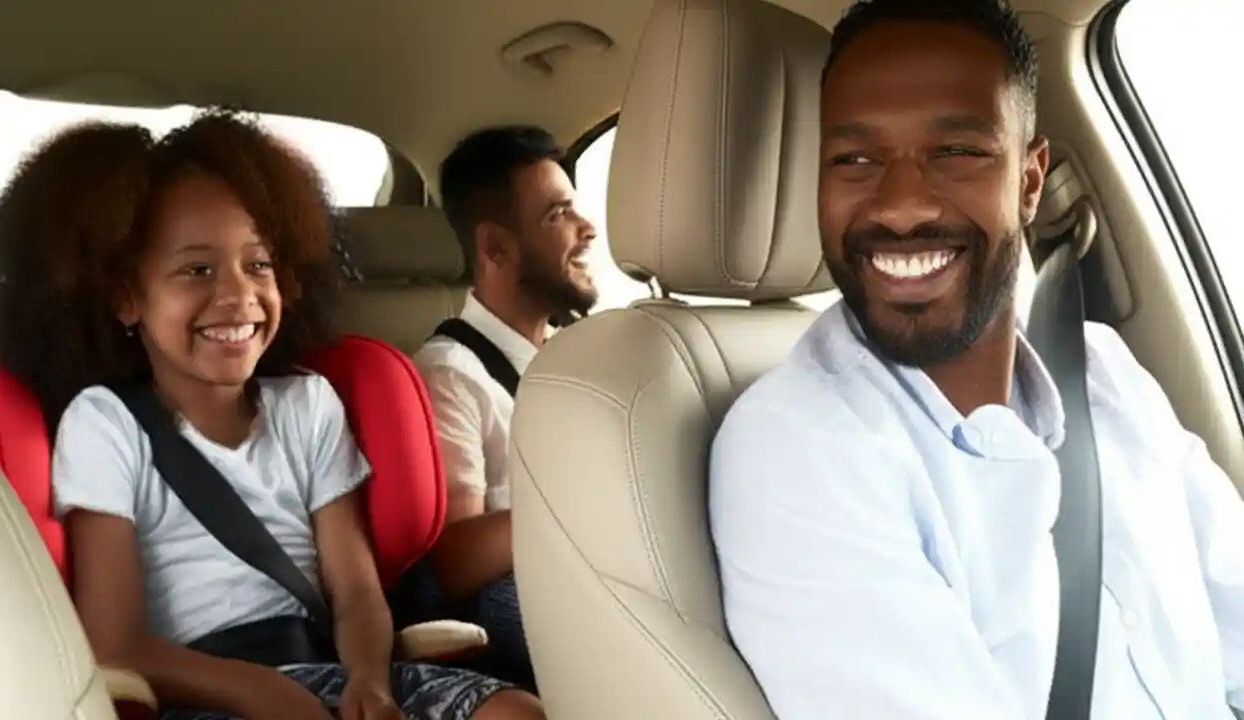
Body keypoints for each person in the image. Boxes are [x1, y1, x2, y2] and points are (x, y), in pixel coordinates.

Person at [709, 1, 1244, 718]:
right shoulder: (799, 448)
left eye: (957, 152)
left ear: (1029, 183)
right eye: (856, 159)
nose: (899, 207)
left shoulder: (1105, 373)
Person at [0, 110, 544, 720]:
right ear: (126, 298)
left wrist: (368, 681)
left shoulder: (309, 404)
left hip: (329, 667)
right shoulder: (105, 424)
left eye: (258, 264)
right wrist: (263, 692)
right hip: (197, 691)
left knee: (514, 710)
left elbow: (355, 590)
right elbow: (115, 643)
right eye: (197, 270)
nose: (238, 295)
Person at [412, 125, 598, 685]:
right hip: (521, 596)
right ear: (495, 246)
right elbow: (456, 559)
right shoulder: (450, 373)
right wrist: (592, 511)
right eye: (557, 214)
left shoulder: (580, 357)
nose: (587, 229)